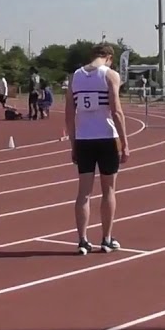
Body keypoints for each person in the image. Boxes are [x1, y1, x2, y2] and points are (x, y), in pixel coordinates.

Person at [65, 43, 129, 255]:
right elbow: (117, 111)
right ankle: (106, 238)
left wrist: (73, 143)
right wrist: (125, 142)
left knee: (83, 192)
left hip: (84, 139)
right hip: (106, 138)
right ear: (109, 57)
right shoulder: (110, 75)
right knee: (108, 190)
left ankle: (82, 240)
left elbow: (68, 114)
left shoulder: (75, 77)